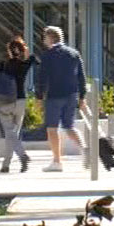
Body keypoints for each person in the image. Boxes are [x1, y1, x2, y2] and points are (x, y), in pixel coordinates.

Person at [33, 25, 87, 172]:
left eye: (45, 37)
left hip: (54, 96)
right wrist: (82, 97)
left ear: (50, 38)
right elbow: (81, 77)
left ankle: (57, 161)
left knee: (52, 128)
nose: (44, 41)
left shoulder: (48, 55)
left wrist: (38, 97)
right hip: (71, 95)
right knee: (69, 127)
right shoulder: (74, 53)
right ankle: (85, 150)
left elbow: (42, 78)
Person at [0, 36, 33, 173]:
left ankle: (22, 155)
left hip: (6, 102)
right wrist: (26, 52)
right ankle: (6, 165)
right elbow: (33, 59)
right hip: (21, 101)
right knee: (13, 134)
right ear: (23, 50)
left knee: (10, 133)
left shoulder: (3, 65)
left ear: (9, 51)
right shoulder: (26, 64)